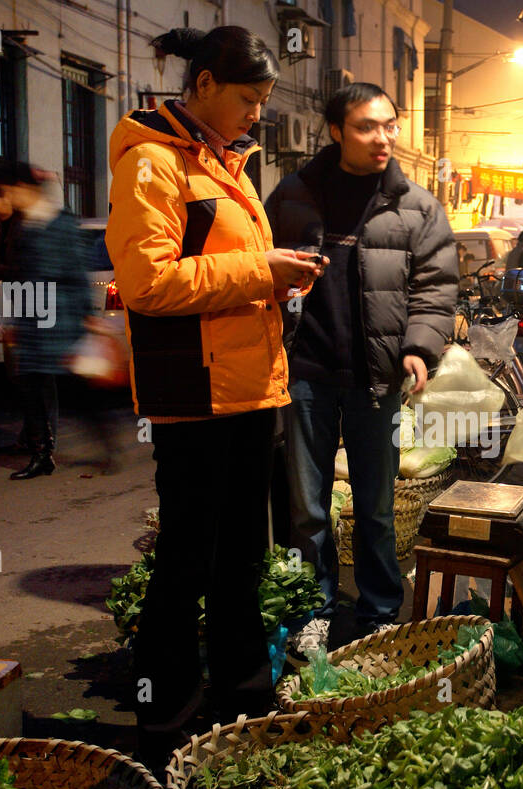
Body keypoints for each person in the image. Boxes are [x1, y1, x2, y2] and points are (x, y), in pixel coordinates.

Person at [106, 26, 323, 745]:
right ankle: (164, 706)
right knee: (188, 557)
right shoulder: (152, 164)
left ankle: (241, 698)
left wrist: (277, 273)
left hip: (247, 389)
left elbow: (226, 268)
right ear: (203, 84)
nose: (258, 113)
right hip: (195, 393)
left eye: (264, 100)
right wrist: (265, 271)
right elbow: (148, 283)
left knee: (242, 556)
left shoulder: (224, 163)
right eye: (249, 98)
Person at [264, 81, 457, 660]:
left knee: (375, 505)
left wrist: (420, 347)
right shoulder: (293, 195)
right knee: (308, 507)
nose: (383, 138)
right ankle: (312, 610)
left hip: (377, 379)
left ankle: (377, 611)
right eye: (368, 127)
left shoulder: (417, 206)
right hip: (305, 373)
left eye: (390, 125)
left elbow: (436, 287)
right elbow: (259, 271)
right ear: (335, 131)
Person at [0, 162, 88, 480]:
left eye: (13, 190)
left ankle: (105, 442)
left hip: (59, 318)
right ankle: (41, 455)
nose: (11, 197)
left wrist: (87, 318)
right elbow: (21, 275)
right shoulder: (23, 225)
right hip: (32, 319)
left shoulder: (61, 223)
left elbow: (77, 272)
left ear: (26, 189)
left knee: (77, 387)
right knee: (31, 386)